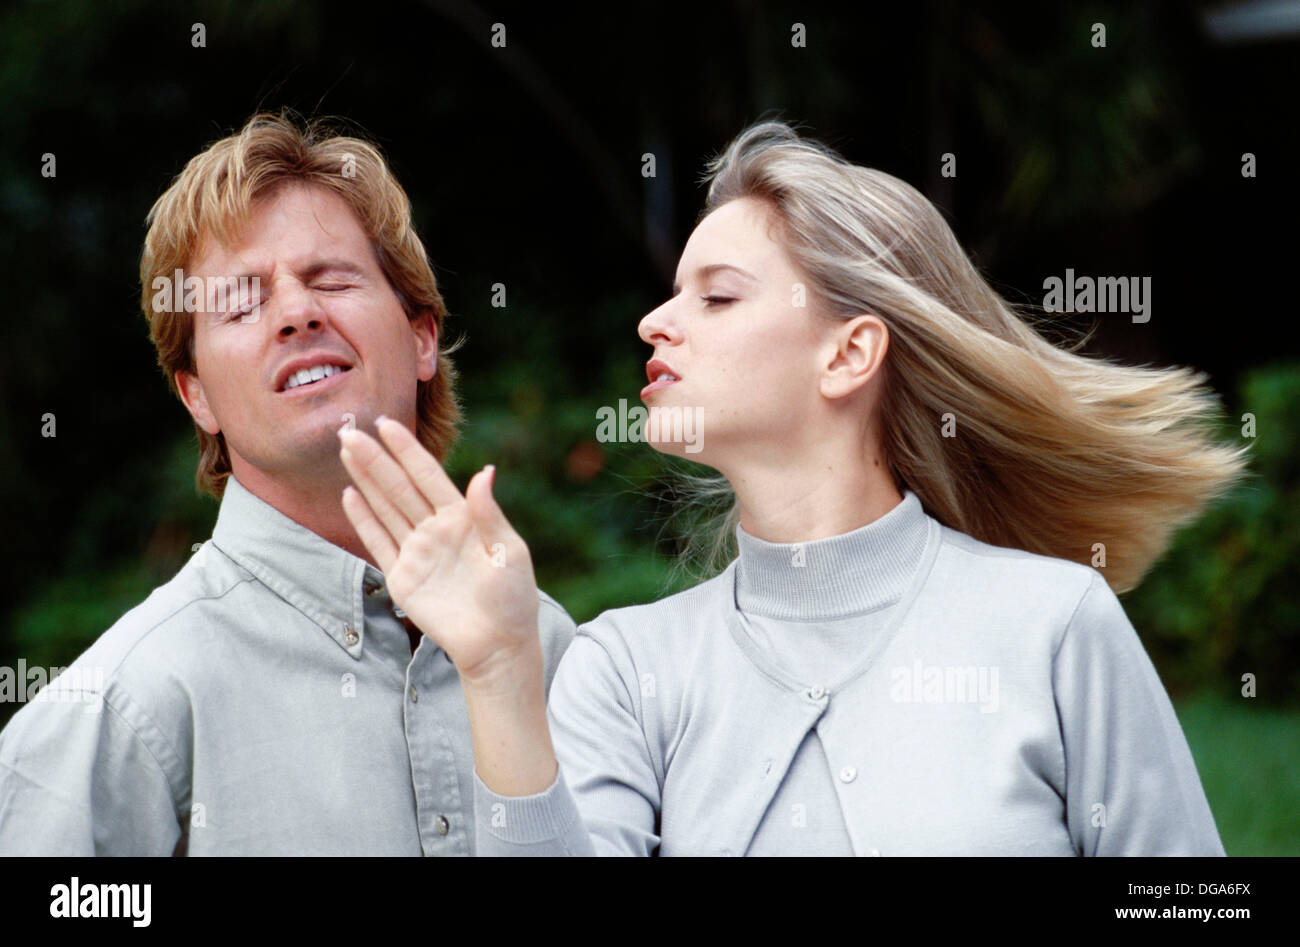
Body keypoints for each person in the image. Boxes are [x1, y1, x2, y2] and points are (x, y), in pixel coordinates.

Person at [336, 121, 1248, 856]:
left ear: (850, 352)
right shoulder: (625, 669)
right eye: (673, 293)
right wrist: (498, 671)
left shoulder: (1056, 623)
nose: (656, 320)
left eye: (718, 296)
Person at [0, 113, 577, 855]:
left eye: (332, 279)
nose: (298, 314)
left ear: (422, 337)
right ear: (196, 395)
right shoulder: (125, 703)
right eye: (241, 303)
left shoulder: (555, 653)